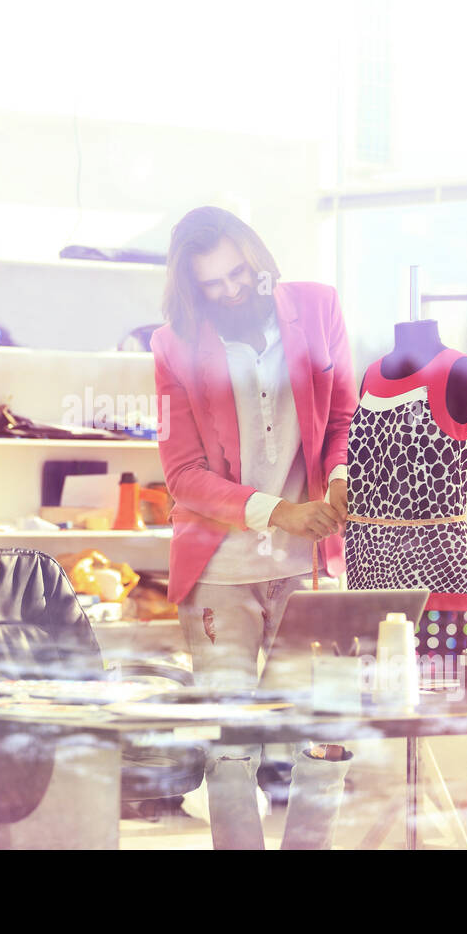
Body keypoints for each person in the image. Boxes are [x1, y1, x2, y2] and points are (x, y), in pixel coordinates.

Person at [151, 206, 358, 849]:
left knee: (321, 734)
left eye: (240, 273)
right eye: (213, 284)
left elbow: (346, 414)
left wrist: (340, 478)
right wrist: (278, 510)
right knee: (234, 744)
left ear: (258, 256)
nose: (232, 290)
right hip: (222, 568)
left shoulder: (318, 309)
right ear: (192, 287)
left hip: (307, 566)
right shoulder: (174, 344)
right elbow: (182, 473)